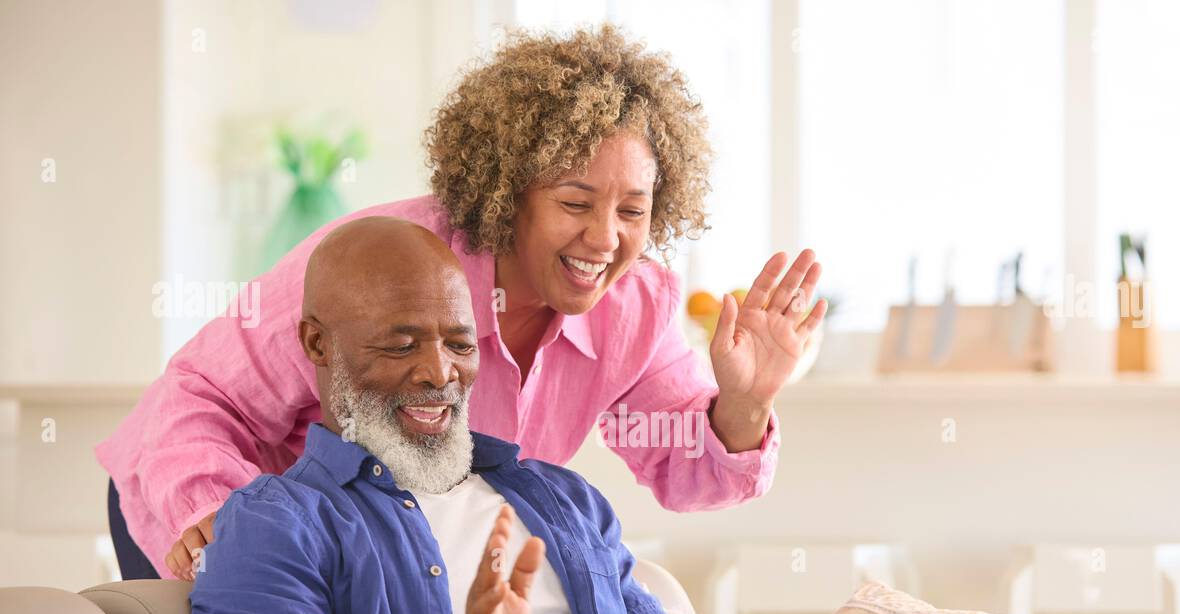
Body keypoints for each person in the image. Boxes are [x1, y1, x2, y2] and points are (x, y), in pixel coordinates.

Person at [189, 219, 1180, 614]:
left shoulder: (548, 492)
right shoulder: (278, 522)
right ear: (317, 343)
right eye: (399, 339)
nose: (437, 369)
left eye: (454, 339)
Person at [98, 22, 827, 581]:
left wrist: (746, 401)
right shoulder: (382, 261)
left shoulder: (635, 308)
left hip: (371, 551)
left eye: (633, 211)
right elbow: (198, 393)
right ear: (508, 193)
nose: (605, 238)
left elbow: (683, 467)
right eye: (576, 201)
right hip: (201, 500)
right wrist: (216, 514)